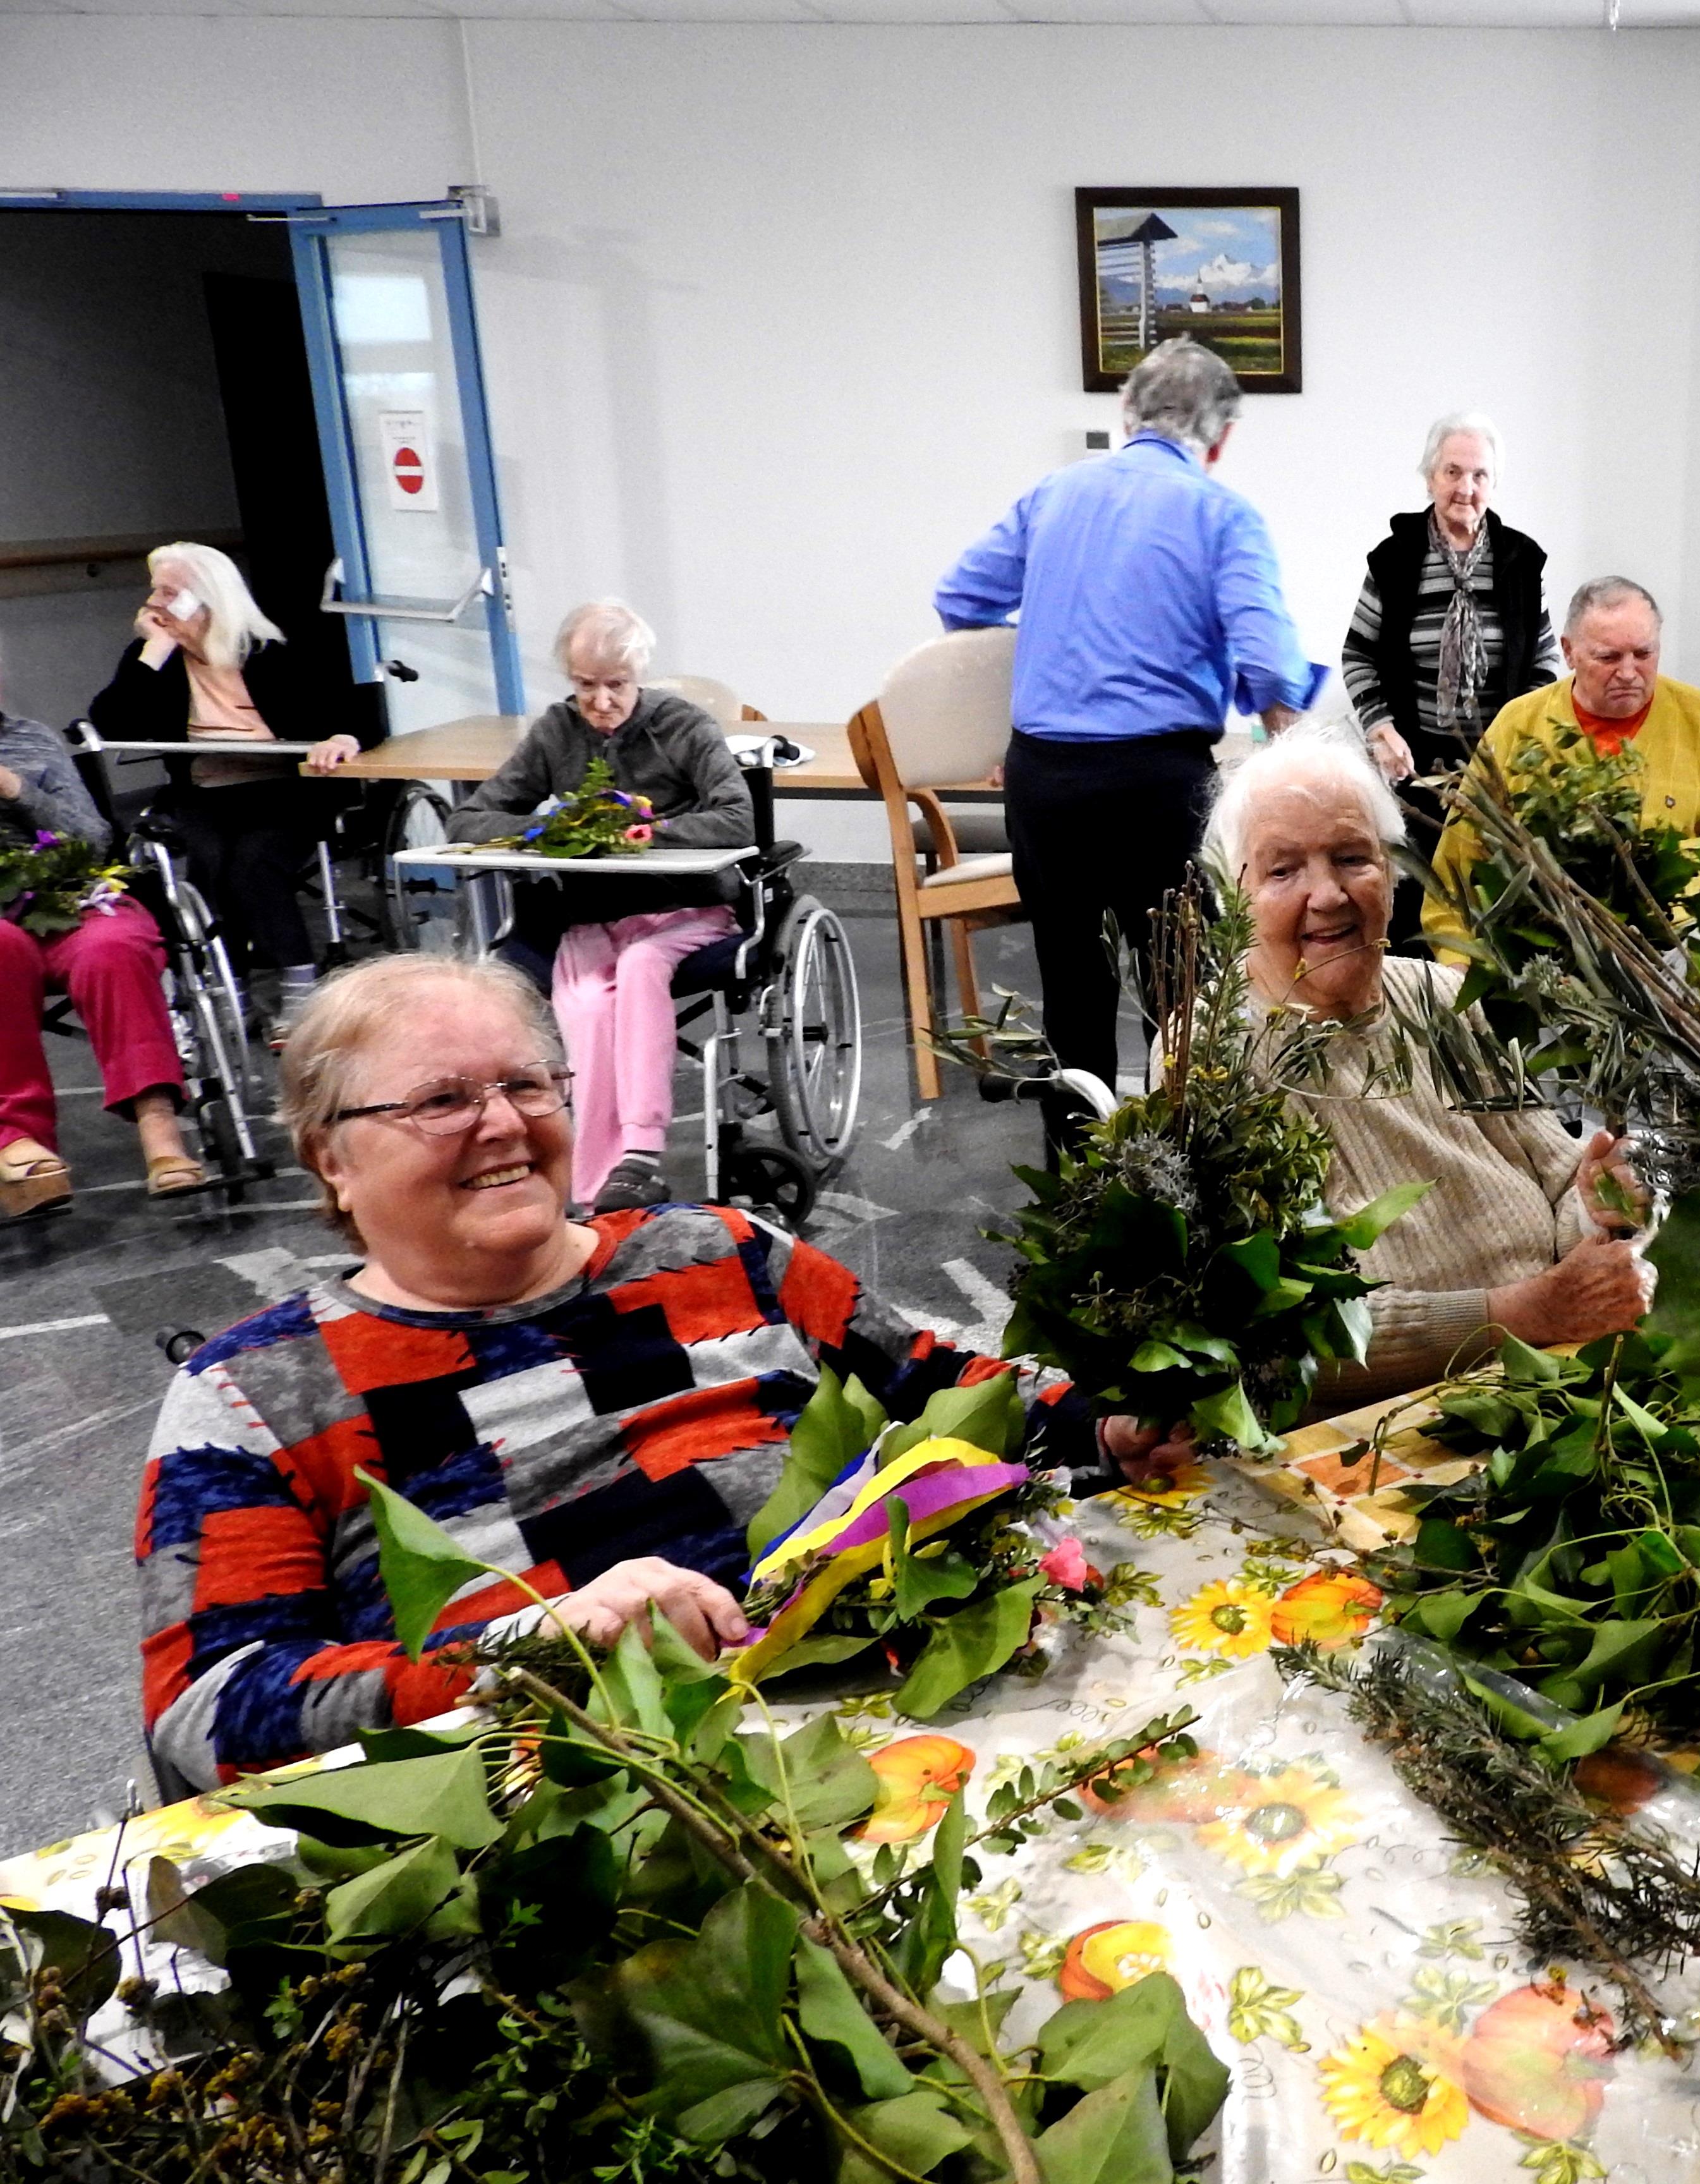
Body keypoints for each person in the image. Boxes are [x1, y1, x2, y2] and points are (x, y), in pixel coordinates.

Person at [134, 954, 972, 1789]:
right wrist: (539, 1649)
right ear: (333, 1162)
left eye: (526, 1085)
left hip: (909, 1740)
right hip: (565, 1809)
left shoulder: (718, 1254)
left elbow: (952, 1393)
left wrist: (1102, 1421)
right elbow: (212, 1706)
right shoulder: (262, 1391)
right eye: (442, 1101)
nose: (502, 1123)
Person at [1099, 727, 1648, 1487]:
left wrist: (1595, 1208)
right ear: (1234, 899)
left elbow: (1559, 1181)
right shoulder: (1211, 1061)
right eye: (1283, 869)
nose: (1327, 894)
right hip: (1380, 1445)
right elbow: (1271, 1342)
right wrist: (1525, 1312)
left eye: (1352, 857)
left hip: (1549, 1389)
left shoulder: (1443, 996)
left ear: (1391, 872)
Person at [935, 339, 1324, 1101]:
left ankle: (1078, 1192)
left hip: (1044, 779)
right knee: (1179, 1002)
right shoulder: (1222, 514)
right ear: (1222, 438)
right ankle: (1179, 1189)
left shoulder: (1054, 494)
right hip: (1158, 786)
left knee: (1072, 994)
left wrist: (1051, 652)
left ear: (1126, 412)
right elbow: (1270, 662)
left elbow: (960, 597)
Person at [446, 600, 753, 1213]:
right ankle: (594, 1184)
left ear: (638, 676)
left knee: (642, 968)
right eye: (587, 686)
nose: (602, 702)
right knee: (583, 1000)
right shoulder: (558, 732)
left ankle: (640, 1154)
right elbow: (468, 817)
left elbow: (737, 816)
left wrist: (648, 833)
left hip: (684, 911)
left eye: (616, 686)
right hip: (592, 914)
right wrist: (548, 830)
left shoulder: (684, 726)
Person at [86, 542, 379, 1019]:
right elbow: (111, 723)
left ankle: (299, 986)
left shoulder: (271, 651)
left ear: (206, 597)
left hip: (285, 790)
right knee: (208, 861)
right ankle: (230, 986)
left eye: (169, 592)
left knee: (254, 862)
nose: (155, 603)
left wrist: (342, 737)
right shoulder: (156, 660)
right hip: (204, 791)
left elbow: (356, 714)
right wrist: (154, 650)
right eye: (154, 591)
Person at [1423, 577, 1700, 959]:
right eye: (1609, 658)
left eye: (1644, 654)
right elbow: (1455, 871)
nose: (1628, 673)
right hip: (1550, 956)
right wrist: (1461, 964)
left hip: (1688, 955)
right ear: (1569, 652)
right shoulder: (1519, 726)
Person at [1339, 412, 1562, 949]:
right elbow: (1358, 653)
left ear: (1493, 484)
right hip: (1414, 765)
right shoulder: (1395, 560)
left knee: (1492, 911)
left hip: (1496, 768)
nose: (1466, 488)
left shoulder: (1520, 561)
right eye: (1453, 472)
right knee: (1415, 908)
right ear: (1430, 477)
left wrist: (1514, 744)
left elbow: (1546, 663)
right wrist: (1380, 729)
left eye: (1479, 475)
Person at [0, 664, 199, 1211]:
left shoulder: (30, 740)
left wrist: (15, 789)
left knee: (111, 947)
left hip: (66, 897)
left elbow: (91, 837)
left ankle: (159, 1128)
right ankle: (17, 1138)